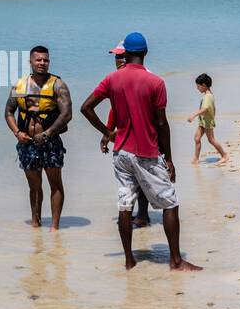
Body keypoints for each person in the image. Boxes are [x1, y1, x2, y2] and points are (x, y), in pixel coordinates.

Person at [80, 32, 200, 271]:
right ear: (145, 52)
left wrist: (108, 133)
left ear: (125, 54)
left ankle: (128, 260)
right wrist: (169, 157)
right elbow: (162, 124)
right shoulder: (155, 82)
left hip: (121, 152)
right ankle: (176, 261)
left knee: (125, 205)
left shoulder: (112, 79)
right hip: (146, 151)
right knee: (170, 203)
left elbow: (86, 108)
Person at [5, 46, 71, 229]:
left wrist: (48, 133)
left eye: (46, 60)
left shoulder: (58, 85)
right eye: (38, 60)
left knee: (55, 183)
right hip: (27, 142)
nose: (42, 63)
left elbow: (67, 114)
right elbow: (8, 112)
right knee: (34, 185)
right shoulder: (19, 85)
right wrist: (17, 133)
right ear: (31, 62)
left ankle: (55, 226)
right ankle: (35, 223)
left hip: (51, 143)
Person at [105, 41, 150, 226]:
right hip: (126, 138)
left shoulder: (145, 77)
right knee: (133, 181)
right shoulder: (117, 78)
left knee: (142, 180)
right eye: (116, 57)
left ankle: (143, 215)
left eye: (121, 56)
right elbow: (116, 108)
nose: (118, 60)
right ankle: (139, 215)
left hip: (143, 138)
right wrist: (107, 133)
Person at [188, 73, 228, 164]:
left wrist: (193, 115)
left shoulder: (208, 96)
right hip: (203, 121)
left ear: (204, 85)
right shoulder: (209, 95)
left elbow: (205, 109)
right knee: (197, 138)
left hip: (207, 122)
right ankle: (196, 159)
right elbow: (213, 108)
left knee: (211, 140)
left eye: (198, 86)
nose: (197, 88)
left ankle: (224, 155)